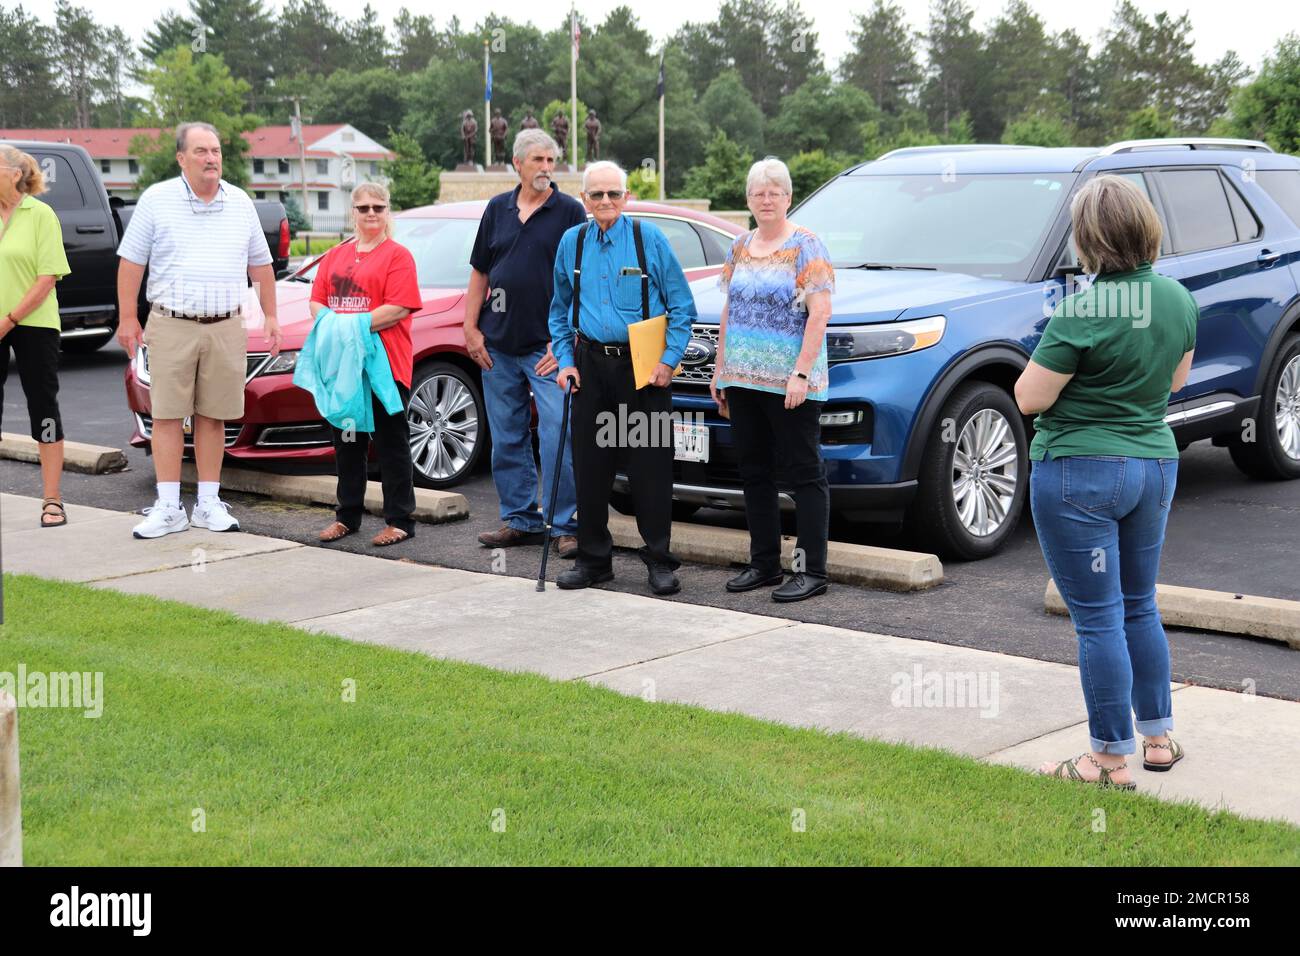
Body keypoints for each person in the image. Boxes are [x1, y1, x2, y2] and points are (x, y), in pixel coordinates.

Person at [1015, 175, 1197, 790]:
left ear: (1089, 238)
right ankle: (1159, 740)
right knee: (1139, 606)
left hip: (1079, 471)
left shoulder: (1083, 307)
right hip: (1155, 464)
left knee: (1097, 618)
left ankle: (1108, 760)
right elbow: (1174, 382)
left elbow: (1030, 397)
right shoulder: (1178, 298)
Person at [117, 121, 282, 539]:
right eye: (201, 152)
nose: (211, 159)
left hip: (226, 325)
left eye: (216, 151)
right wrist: (127, 317)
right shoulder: (156, 200)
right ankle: (169, 508)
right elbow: (131, 263)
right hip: (171, 324)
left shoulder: (241, 201)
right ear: (181, 158)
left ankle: (208, 504)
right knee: (169, 415)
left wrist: (272, 316)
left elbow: (260, 265)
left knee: (214, 416)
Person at [548, 160, 697, 595]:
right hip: (591, 366)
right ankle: (595, 561)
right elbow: (558, 311)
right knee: (591, 469)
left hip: (644, 369)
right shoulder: (571, 243)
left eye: (614, 194)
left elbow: (682, 307)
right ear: (584, 200)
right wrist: (564, 361)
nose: (605, 202)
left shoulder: (647, 238)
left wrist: (668, 362)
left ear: (626, 197)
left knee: (649, 468)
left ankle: (659, 560)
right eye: (597, 195)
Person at [710, 157, 835, 602]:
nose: (766, 199)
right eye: (758, 193)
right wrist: (720, 370)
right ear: (748, 200)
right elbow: (729, 311)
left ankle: (811, 571)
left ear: (788, 198)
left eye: (774, 192)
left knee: (804, 474)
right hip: (743, 381)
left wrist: (800, 373)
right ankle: (764, 564)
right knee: (754, 473)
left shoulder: (807, 246)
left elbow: (820, 313)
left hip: (791, 384)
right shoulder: (740, 245)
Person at [467, 130, 586, 557]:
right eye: (538, 160)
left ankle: (566, 524)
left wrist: (567, 340)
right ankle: (520, 519)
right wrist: (469, 328)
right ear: (517, 164)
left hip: (548, 348)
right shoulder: (497, 209)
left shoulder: (570, 211)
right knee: (507, 437)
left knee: (558, 434)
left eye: (552, 160)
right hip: (496, 345)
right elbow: (480, 271)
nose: (547, 168)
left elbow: (582, 281)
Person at [307, 182, 423, 547]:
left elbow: (399, 308)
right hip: (344, 368)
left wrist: (347, 325)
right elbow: (317, 302)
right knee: (347, 442)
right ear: (352, 213)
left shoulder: (398, 256)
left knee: (391, 442)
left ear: (388, 211)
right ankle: (347, 516)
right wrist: (338, 327)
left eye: (378, 207)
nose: (371, 213)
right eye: (363, 208)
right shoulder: (335, 256)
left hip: (384, 365)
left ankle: (400, 520)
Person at [0, 144, 71, 528]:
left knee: (43, 408)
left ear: (14, 173)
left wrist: (8, 320)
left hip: (34, 325)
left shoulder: (41, 214)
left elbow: (47, 279)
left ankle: (52, 499)